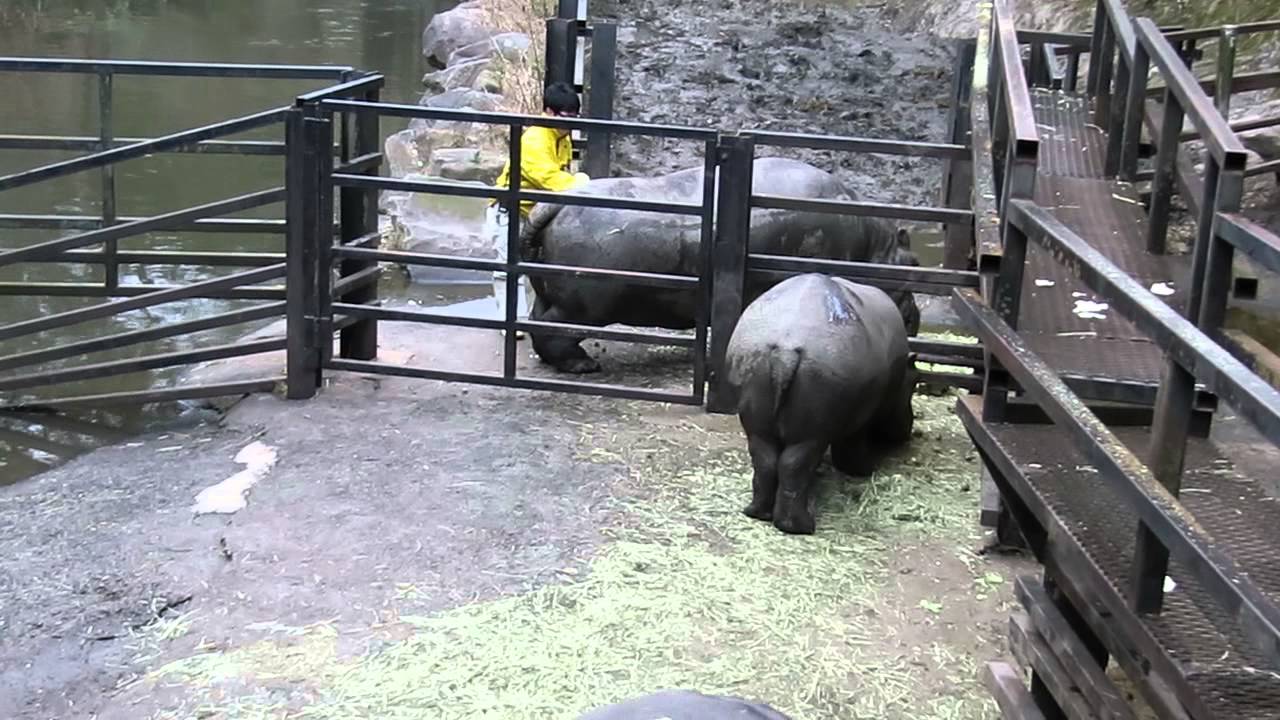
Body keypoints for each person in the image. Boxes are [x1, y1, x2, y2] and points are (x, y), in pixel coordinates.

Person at [485, 81, 591, 338]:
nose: (571, 123)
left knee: (536, 268)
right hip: (512, 211)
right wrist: (583, 185)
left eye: (575, 117)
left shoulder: (560, 136)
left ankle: (529, 318)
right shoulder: (535, 139)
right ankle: (512, 322)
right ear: (549, 112)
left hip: (535, 212)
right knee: (508, 267)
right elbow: (548, 178)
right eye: (567, 117)